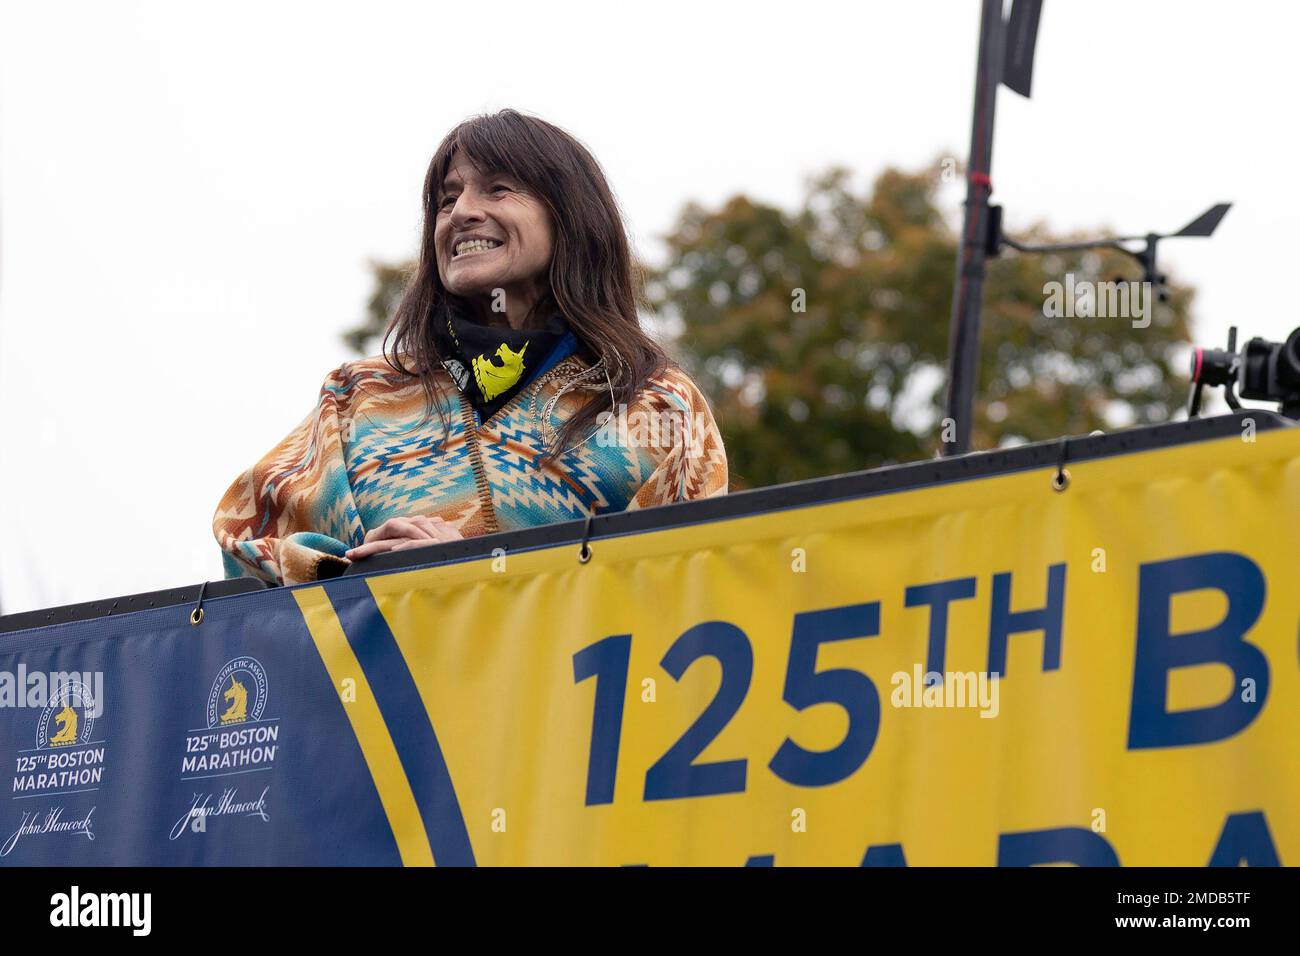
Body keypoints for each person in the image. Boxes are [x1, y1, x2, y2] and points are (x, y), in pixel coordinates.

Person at [212, 110, 728, 586]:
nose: (461, 213)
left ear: (570, 217)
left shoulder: (656, 403)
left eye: (498, 189)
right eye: (446, 199)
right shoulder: (357, 399)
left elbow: (684, 589)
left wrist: (482, 578)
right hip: (385, 685)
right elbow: (243, 542)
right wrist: (349, 575)